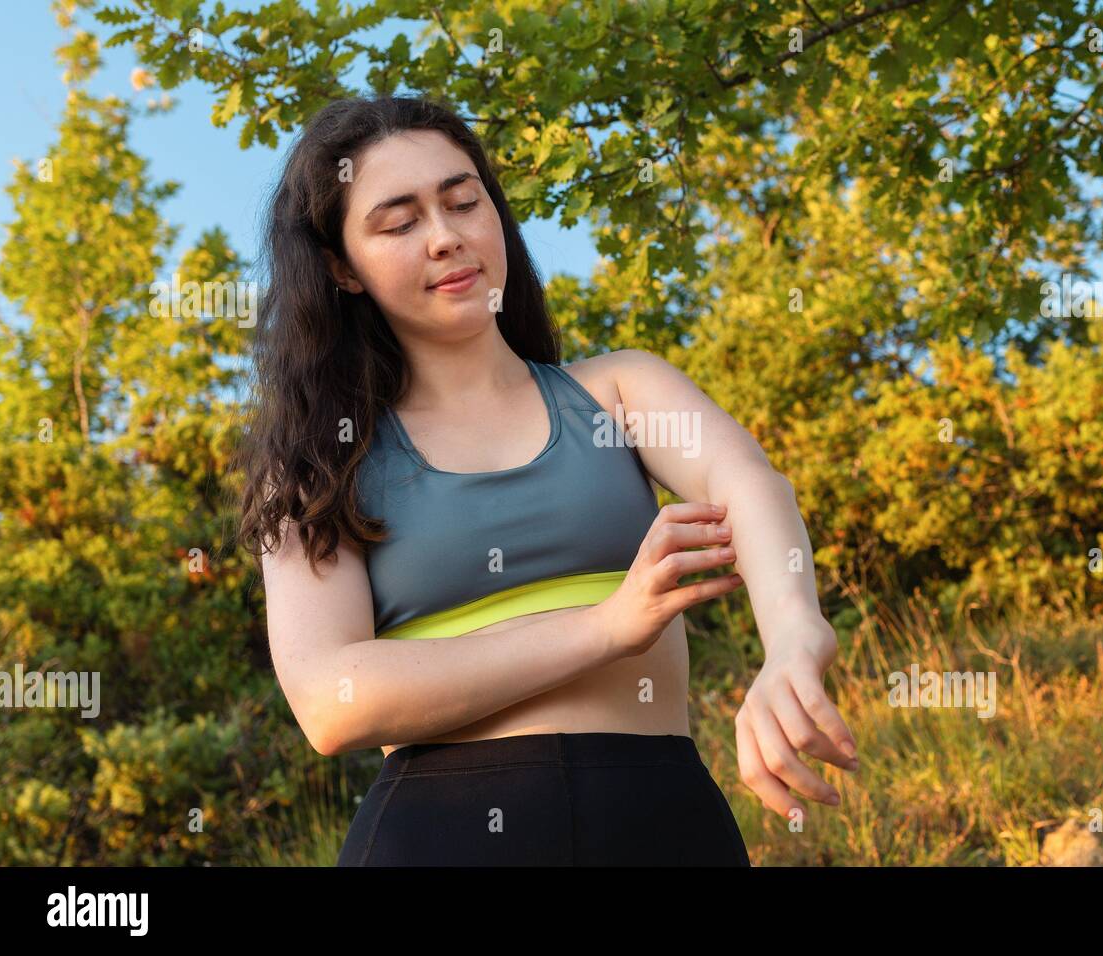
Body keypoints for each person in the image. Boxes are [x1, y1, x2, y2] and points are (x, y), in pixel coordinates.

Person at [237, 95, 857, 866]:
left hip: (663, 823)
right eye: (399, 223)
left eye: (464, 202)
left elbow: (750, 484)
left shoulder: (621, 390)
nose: (446, 238)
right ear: (340, 267)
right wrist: (606, 625)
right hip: (435, 836)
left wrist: (795, 639)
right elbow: (332, 701)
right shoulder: (317, 463)